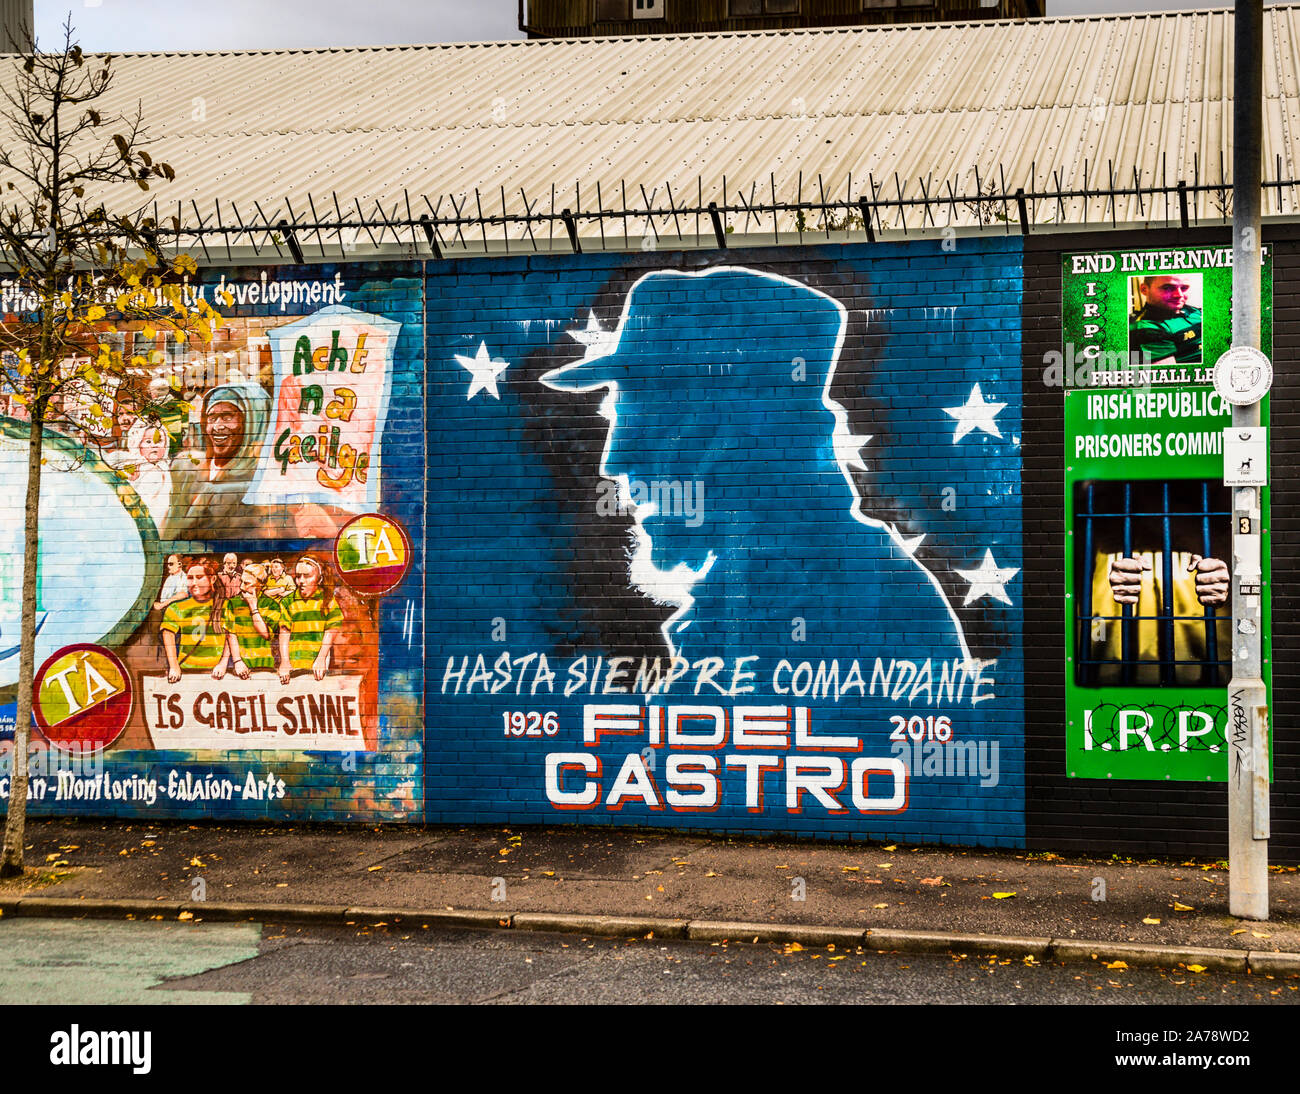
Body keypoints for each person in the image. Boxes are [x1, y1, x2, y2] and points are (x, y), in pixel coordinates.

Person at [539, 267, 970, 667]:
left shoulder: (839, 606)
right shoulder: (752, 603)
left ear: (741, 432)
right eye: (620, 419)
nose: (614, 462)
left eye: (648, 423)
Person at [161, 381, 270, 540]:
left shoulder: (261, 480)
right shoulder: (185, 467)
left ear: (251, 423)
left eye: (227, 417)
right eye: (212, 418)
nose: (217, 427)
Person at [278, 556, 343, 683]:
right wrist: (285, 662)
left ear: (319, 579)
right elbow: (284, 632)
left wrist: (321, 658)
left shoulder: (327, 600)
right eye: (298, 576)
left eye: (307, 576)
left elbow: (332, 630)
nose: (301, 581)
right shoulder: (288, 601)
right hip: (293, 665)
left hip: (318, 666)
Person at [159, 557, 225, 682]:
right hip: (187, 671)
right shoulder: (177, 608)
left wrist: (223, 663)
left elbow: (231, 636)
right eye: (190, 578)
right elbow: (167, 633)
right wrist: (174, 666)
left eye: (199, 577)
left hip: (218, 674)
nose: (194, 582)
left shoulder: (224, 606)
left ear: (213, 579)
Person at [214, 562, 279, 679]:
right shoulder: (232, 603)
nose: (242, 587)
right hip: (239, 666)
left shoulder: (271, 605)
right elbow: (230, 634)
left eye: (247, 583)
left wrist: (253, 607)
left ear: (261, 586)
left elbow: (266, 634)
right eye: (242, 582)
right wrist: (236, 661)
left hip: (265, 666)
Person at [1129, 275, 1202, 365]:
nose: (1179, 295)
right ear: (1144, 289)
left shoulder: (1191, 310)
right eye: (1167, 288)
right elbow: (1169, 375)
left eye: (1184, 288)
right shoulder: (1147, 327)